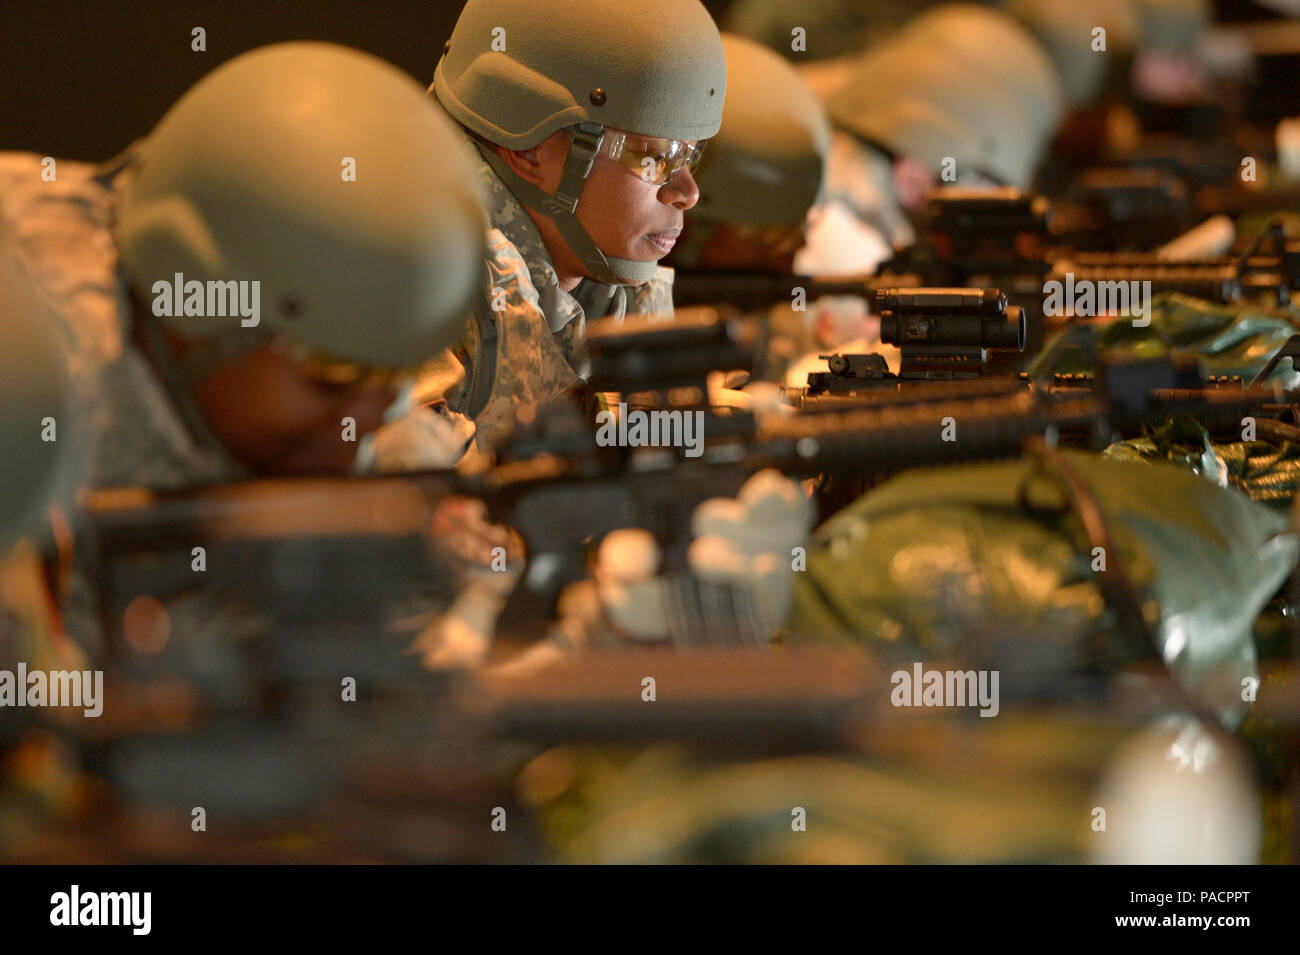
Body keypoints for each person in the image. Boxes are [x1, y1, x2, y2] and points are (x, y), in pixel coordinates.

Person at [0, 41, 486, 489]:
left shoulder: (330, 322)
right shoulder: (34, 373)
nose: (356, 432)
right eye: (333, 374)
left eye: (396, 375)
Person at [419, 0, 728, 451]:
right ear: (530, 152)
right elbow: (414, 504)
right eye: (655, 155)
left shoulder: (601, 274)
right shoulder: (416, 279)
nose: (687, 191)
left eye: (690, 155)